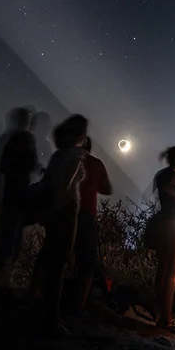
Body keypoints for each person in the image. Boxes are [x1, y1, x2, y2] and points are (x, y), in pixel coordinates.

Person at [31, 115, 87, 335]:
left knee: (49, 259)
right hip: (64, 212)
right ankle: (51, 319)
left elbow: (50, 184)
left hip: (56, 211)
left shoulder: (58, 156)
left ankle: (40, 307)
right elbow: (65, 186)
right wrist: (54, 209)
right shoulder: (73, 155)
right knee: (58, 263)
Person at [0, 108, 38, 286]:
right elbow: (31, 165)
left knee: (4, 239)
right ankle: (2, 282)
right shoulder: (24, 139)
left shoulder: (5, 139)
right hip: (17, 197)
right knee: (11, 241)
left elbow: (0, 169)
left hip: (7, 195)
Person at [71, 135, 113, 315]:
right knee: (87, 261)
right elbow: (107, 189)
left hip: (65, 212)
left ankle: (42, 296)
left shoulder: (65, 159)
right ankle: (79, 306)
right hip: (86, 214)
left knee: (56, 255)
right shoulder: (96, 164)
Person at [148, 146, 175, 332]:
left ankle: (159, 312)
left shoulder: (161, 174)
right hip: (171, 225)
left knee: (162, 270)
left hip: (162, 224)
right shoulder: (170, 176)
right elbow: (171, 194)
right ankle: (166, 317)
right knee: (172, 272)